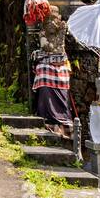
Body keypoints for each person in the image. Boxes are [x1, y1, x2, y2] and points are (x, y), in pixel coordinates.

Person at [31, 7, 73, 136]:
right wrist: (49, 44)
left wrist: (60, 31)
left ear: (58, 19)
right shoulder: (43, 33)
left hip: (60, 63)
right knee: (42, 71)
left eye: (53, 19)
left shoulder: (61, 29)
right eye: (48, 20)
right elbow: (46, 47)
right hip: (46, 63)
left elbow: (59, 47)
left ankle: (62, 115)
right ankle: (47, 114)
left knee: (63, 74)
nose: (51, 23)